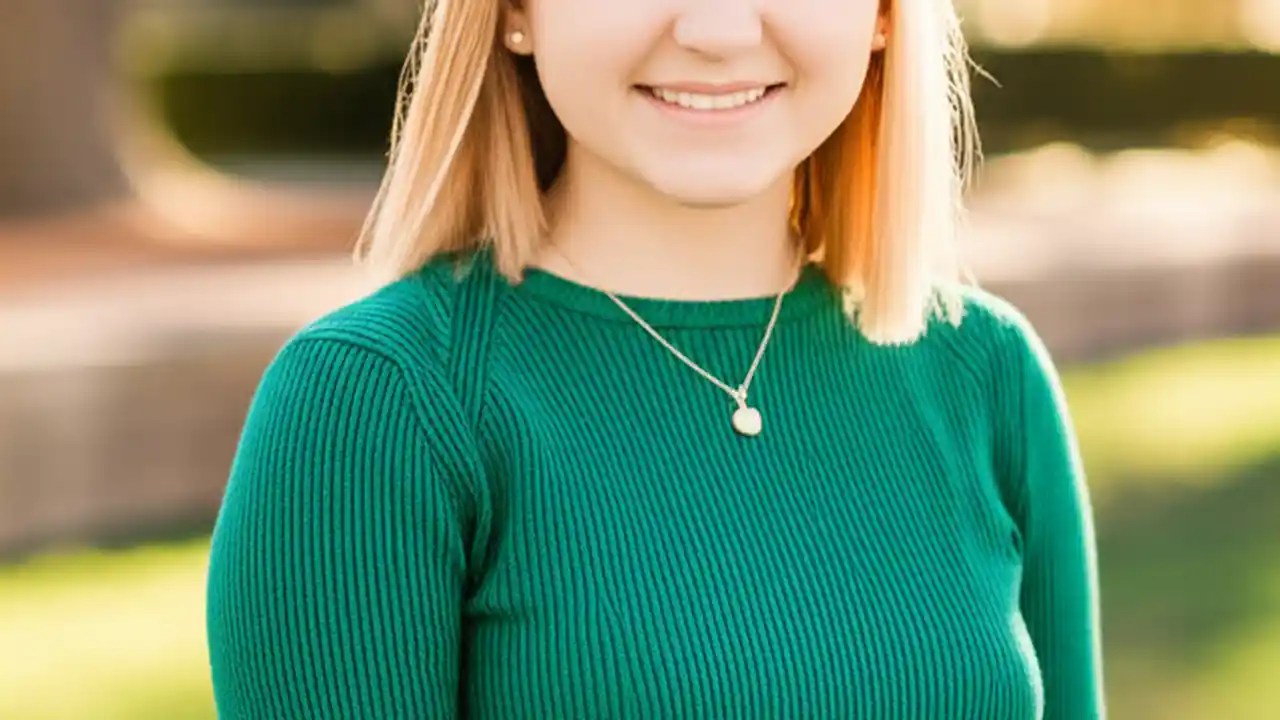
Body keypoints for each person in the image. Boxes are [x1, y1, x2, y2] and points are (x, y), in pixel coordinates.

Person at [205, 0, 1105, 717]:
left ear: (883, 14)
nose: (717, 31)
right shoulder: (378, 401)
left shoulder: (988, 373)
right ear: (514, 10)